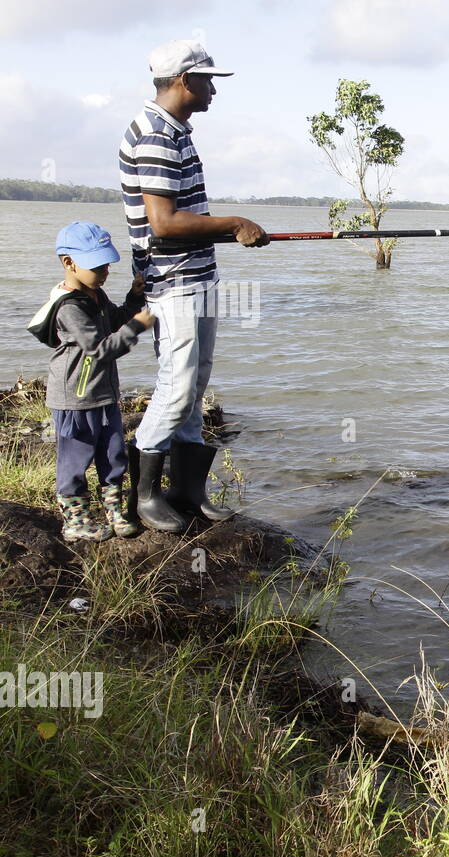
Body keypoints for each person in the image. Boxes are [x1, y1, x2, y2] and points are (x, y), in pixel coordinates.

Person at [118, 39, 268, 533]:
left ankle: (186, 490)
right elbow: (163, 222)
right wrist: (233, 224)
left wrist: (226, 230)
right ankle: (144, 496)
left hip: (197, 276)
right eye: (208, 80)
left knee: (195, 381)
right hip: (176, 282)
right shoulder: (156, 135)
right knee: (177, 384)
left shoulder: (175, 130)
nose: (213, 91)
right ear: (183, 79)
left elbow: (176, 217)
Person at [27, 222, 155, 541]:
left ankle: (114, 511)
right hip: (75, 397)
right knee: (75, 459)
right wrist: (137, 326)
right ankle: (75, 521)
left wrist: (134, 299)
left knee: (113, 454)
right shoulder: (69, 307)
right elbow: (99, 350)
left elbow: (114, 319)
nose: (104, 272)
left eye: (107, 264)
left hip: (102, 395)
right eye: (96, 266)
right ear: (69, 262)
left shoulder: (95, 295)